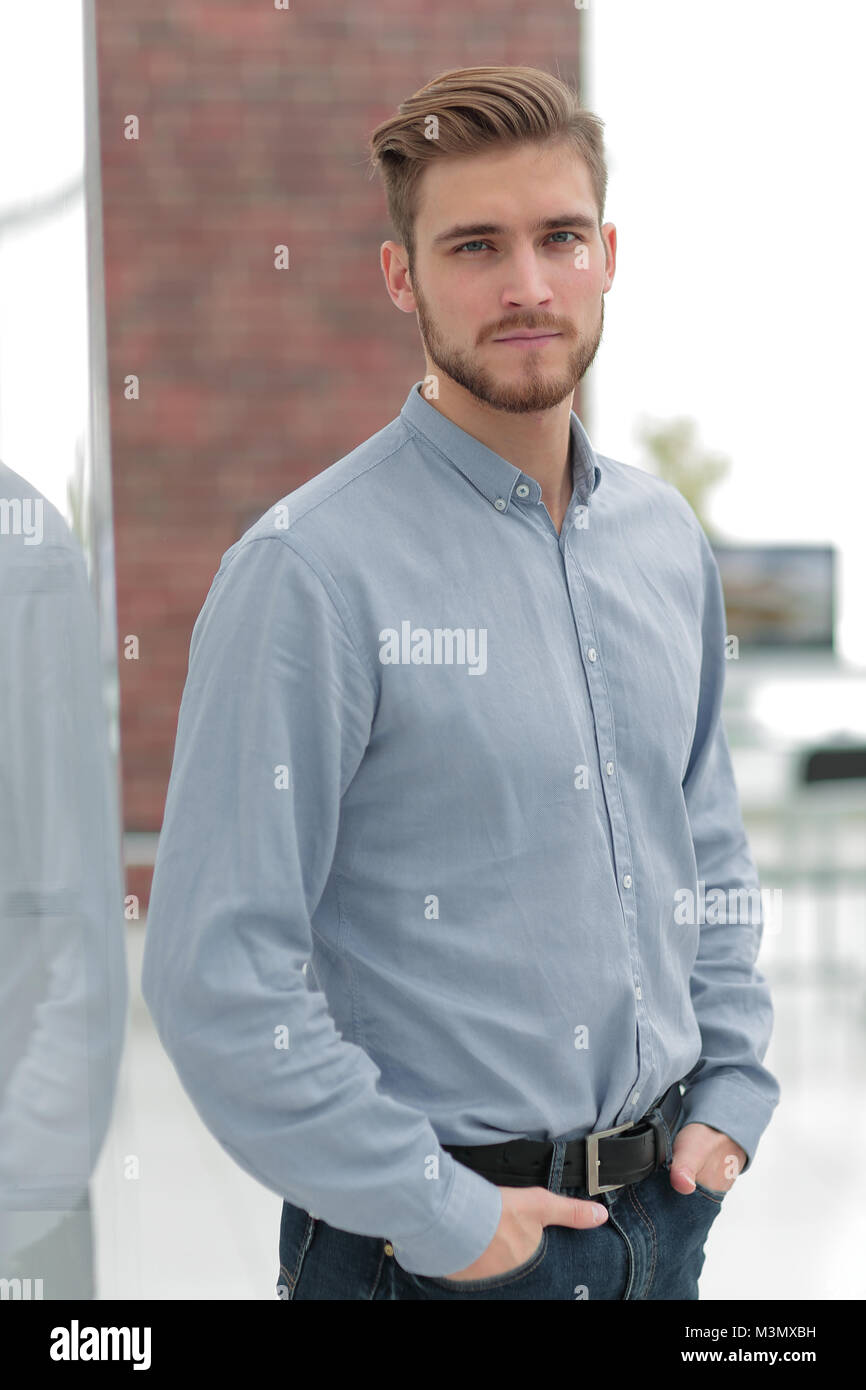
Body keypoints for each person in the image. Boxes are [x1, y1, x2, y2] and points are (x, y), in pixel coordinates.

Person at [141, 64, 780, 1300]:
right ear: (402, 278)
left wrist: (735, 1082)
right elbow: (216, 972)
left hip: (668, 1223)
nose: (527, 285)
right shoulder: (306, 573)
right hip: (438, 1256)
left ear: (607, 255)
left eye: (558, 238)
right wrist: (436, 1211)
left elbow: (702, 848)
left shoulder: (661, 541)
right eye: (475, 245)